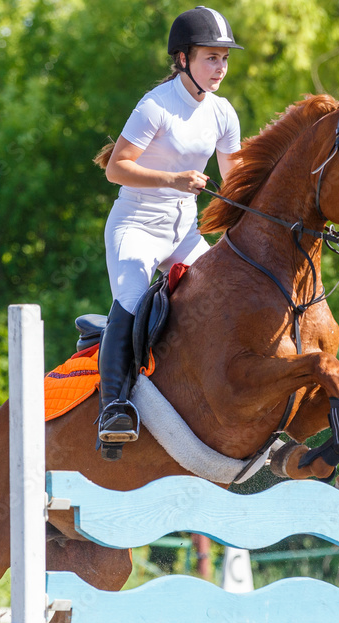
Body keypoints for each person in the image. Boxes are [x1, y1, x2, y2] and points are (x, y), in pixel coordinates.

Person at [92, 6, 244, 455]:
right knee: (135, 299)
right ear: (183, 60)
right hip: (136, 225)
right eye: (210, 58)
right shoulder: (155, 106)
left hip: (183, 232)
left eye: (224, 59)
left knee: (226, 299)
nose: (219, 68)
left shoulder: (223, 113)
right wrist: (173, 181)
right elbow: (116, 169)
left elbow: (236, 181)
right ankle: (114, 407)